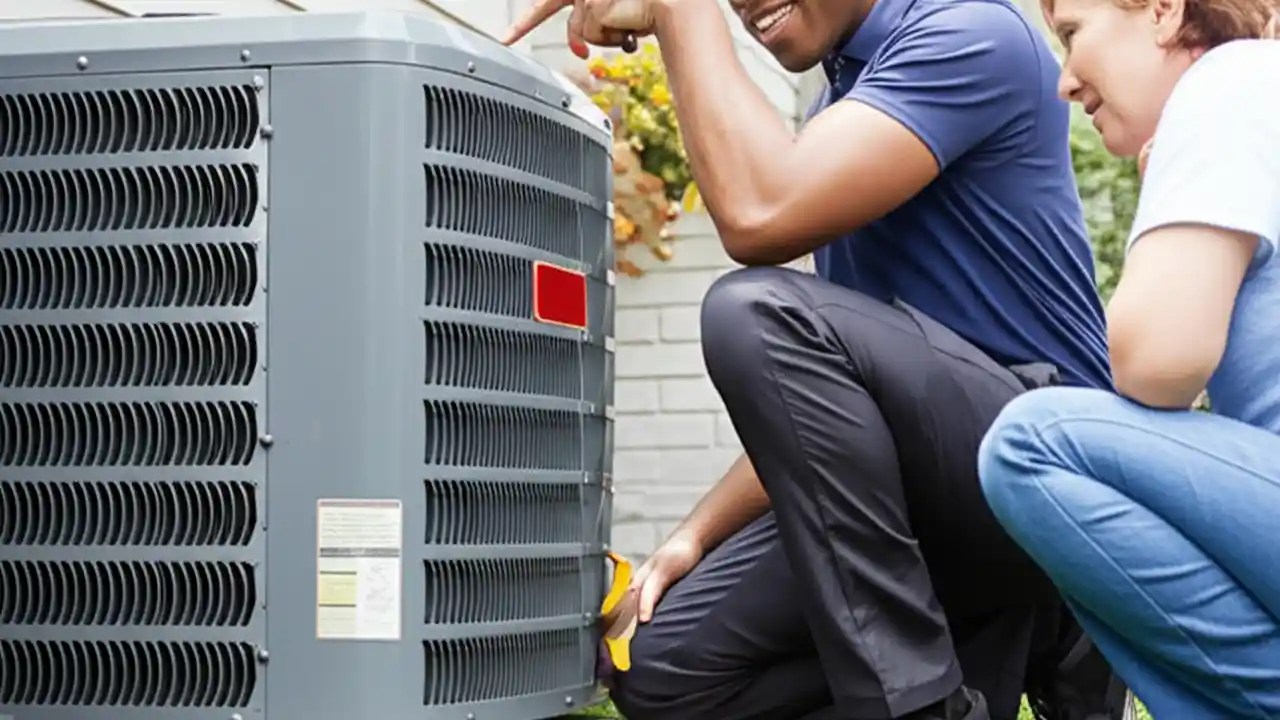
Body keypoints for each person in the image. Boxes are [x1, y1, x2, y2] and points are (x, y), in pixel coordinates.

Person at [502, 0, 1129, 717]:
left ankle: (923, 700)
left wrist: (678, 8)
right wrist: (691, 537)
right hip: (926, 495)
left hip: (1047, 477)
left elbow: (759, 215)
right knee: (661, 667)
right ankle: (965, 681)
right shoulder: (845, 101)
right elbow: (832, 411)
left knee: (754, 311)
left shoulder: (970, 33)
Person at [976, 0, 1280, 716]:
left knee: (1033, 446)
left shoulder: (1229, 81)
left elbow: (1152, 359)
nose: (1065, 82)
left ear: (1165, 12)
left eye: (1073, 35)